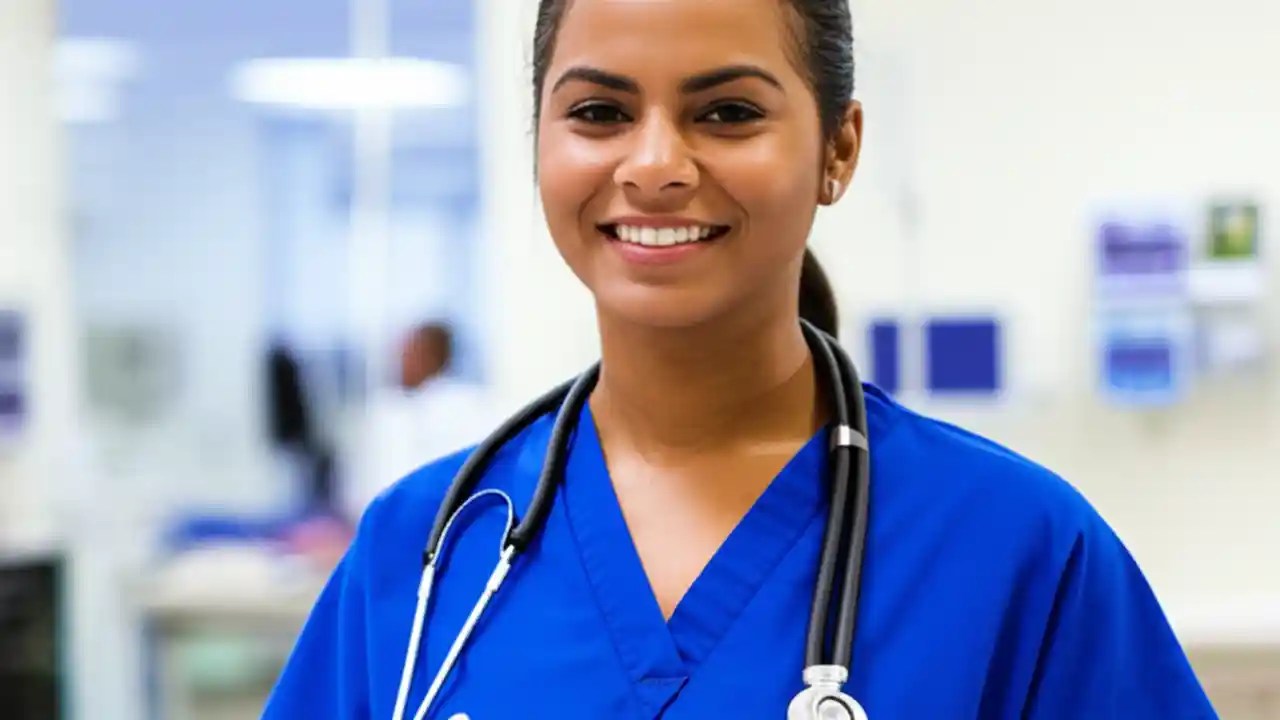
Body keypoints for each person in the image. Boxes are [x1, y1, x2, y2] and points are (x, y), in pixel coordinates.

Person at [264, 1, 1217, 717]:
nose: (653, 164)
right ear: (540, 145)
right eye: (598, 111)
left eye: (725, 112)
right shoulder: (425, 548)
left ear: (838, 148)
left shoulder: (1017, 549)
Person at [352, 322, 498, 514]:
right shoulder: (391, 410)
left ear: (433, 356)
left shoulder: (463, 408)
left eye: (410, 354)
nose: (401, 363)